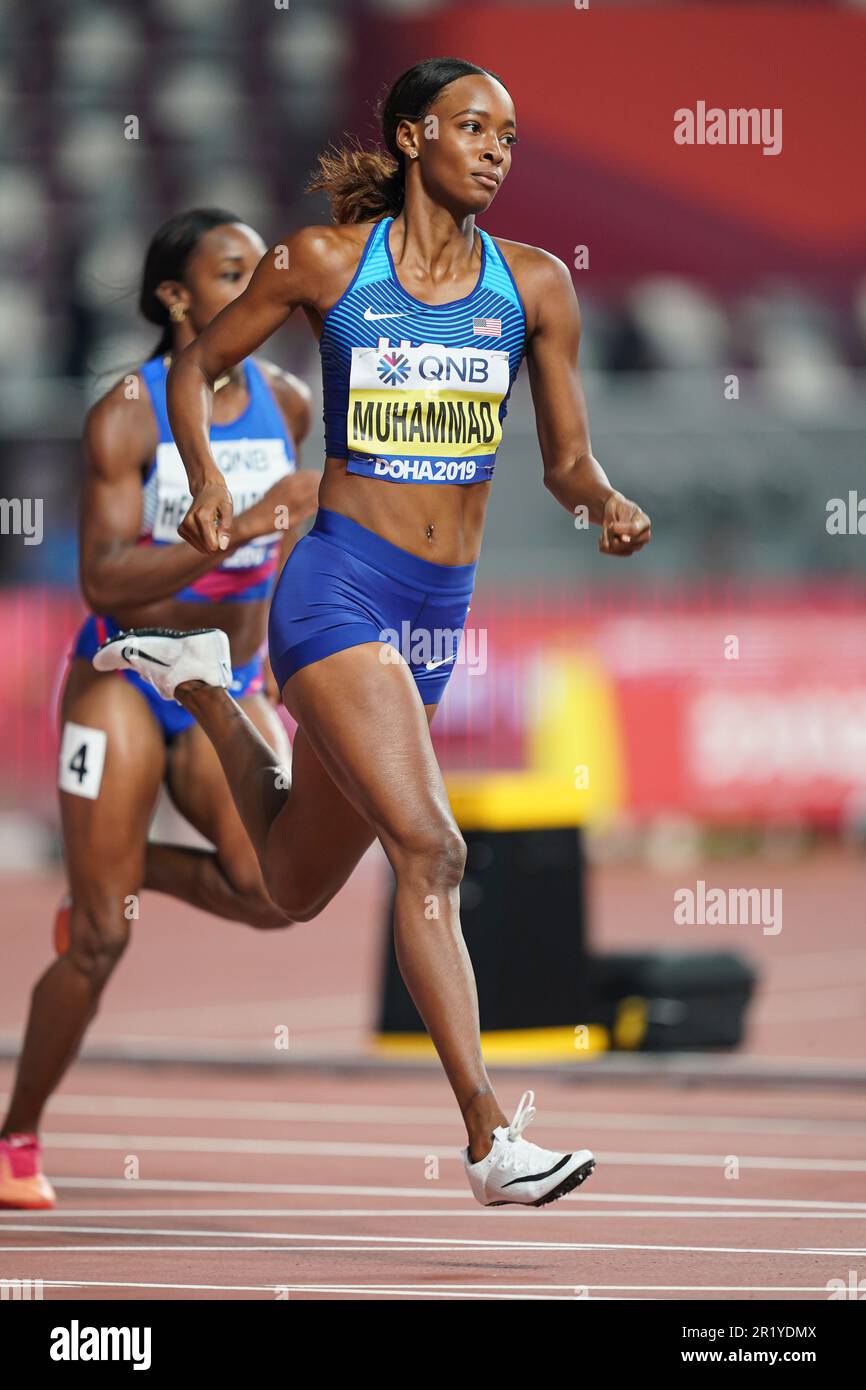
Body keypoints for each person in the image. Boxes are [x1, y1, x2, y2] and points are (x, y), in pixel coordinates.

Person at [88, 59, 651, 1208]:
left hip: (437, 616)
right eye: (472, 127)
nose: (496, 149)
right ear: (409, 137)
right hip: (336, 589)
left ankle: (201, 684)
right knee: (432, 850)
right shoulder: (324, 262)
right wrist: (200, 474)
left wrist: (603, 502)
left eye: (509, 133)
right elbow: (196, 367)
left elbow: (561, 461)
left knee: (290, 886)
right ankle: (490, 1137)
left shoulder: (534, 285)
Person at [0, 209, 320, 1209]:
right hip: (125, 674)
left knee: (275, 890)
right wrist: (231, 535)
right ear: (176, 300)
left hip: (221, 682)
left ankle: (119, 865)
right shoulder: (125, 416)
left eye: (261, 268)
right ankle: (15, 1137)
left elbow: (298, 542)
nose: (257, 285)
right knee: (101, 939)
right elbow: (103, 581)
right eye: (231, 273)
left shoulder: (291, 403)